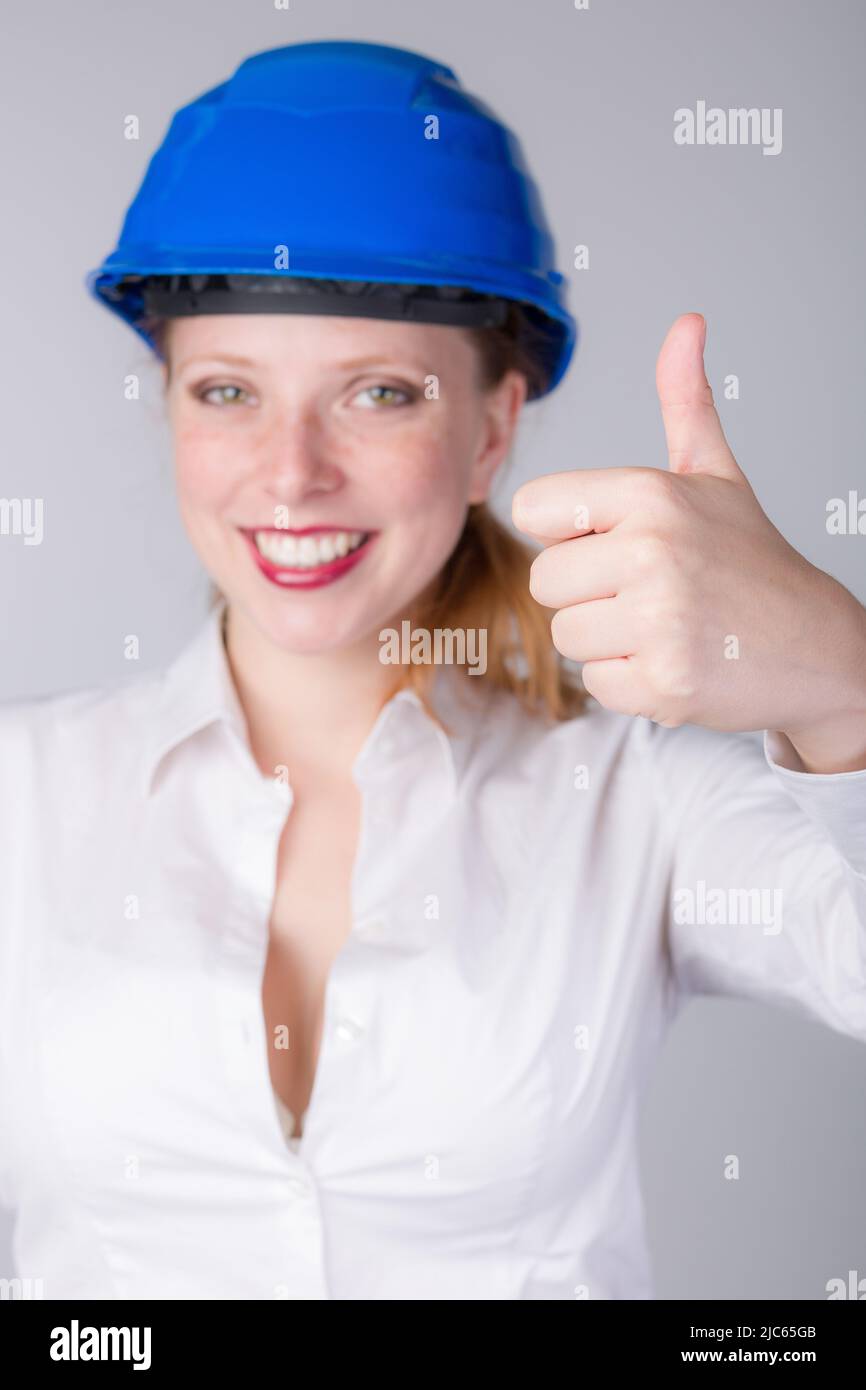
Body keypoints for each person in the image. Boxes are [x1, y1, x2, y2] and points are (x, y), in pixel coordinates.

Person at [1, 38, 864, 1302]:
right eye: (229, 389)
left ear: (491, 429)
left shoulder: (636, 798)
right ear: (167, 401)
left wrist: (839, 675)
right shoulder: (19, 796)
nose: (289, 474)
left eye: (379, 395)